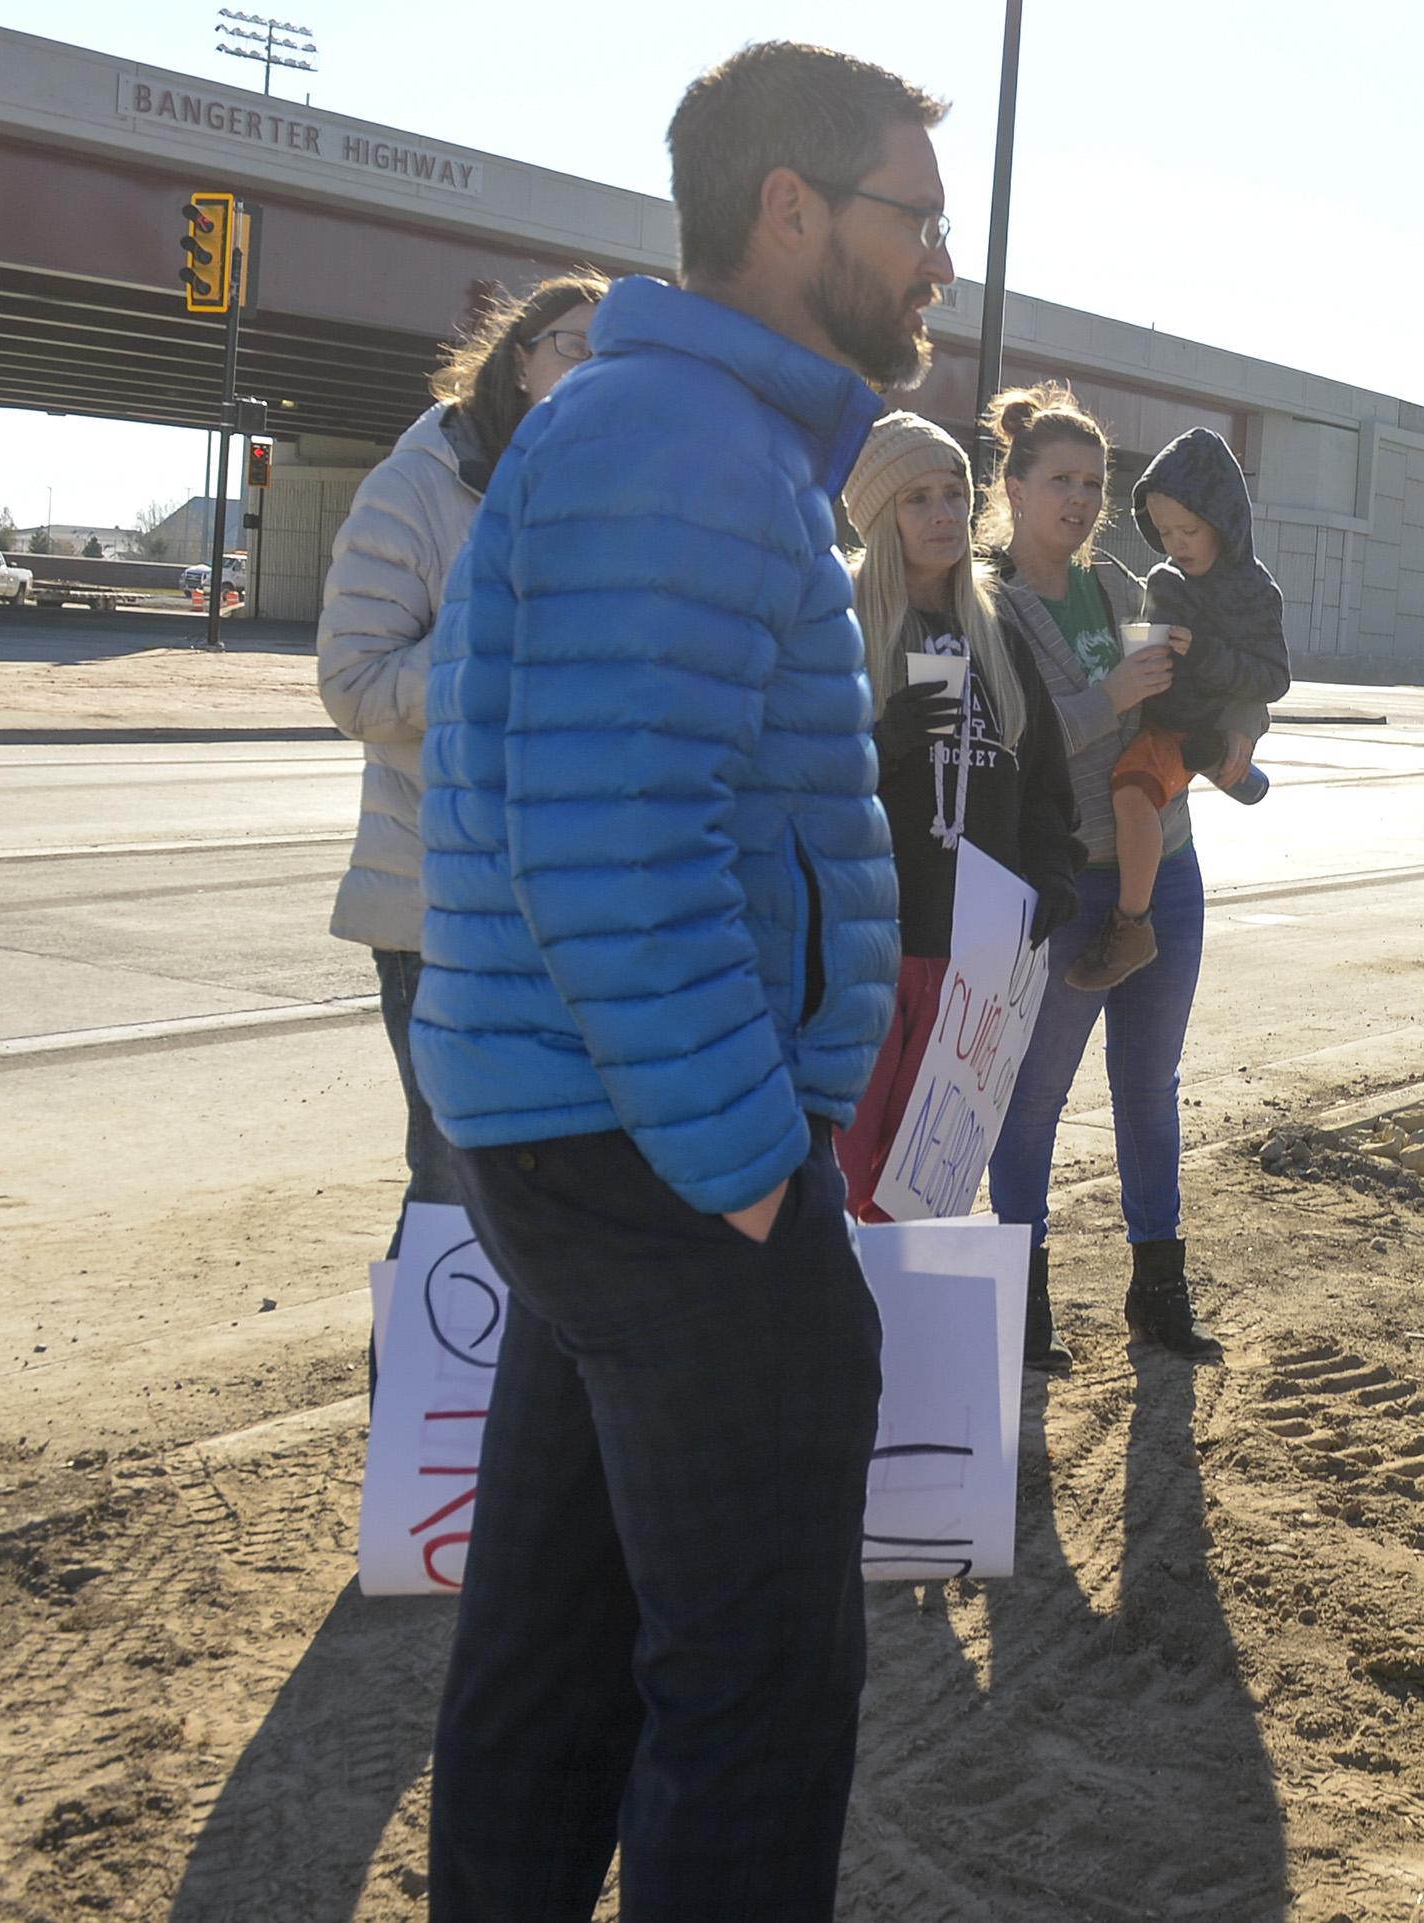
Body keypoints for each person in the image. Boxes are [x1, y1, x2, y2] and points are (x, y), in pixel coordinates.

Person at [409, 43, 955, 1921]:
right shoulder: (684, 443)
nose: (939, 265)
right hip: (661, 1156)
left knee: (554, 1653)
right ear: (791, 211)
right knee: (754, 1690)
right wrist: (743, 1164)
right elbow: (610, 837)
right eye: (917, 217)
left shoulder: (675, 428)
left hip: (588, 1139)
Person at [315, 271, 607, 1254]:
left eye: (617, 357)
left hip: (575, 906)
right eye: (574, 343)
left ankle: (515, 1411)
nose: (593, 368)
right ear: (520, 358)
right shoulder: (421, 484)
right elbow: (354, 684)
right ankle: (418, 1406)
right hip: (441, 904)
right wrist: (497, 650)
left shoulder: (612, 501)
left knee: (556, 1194)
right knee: (454, 1188)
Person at [983, 384, 1267, 1359]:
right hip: (1067, 885)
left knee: (1149, 1087)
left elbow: (1208, 687)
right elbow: (1003, 745)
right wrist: (1109, 698)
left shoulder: (1117, 585)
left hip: (1167, 866)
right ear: (1012, 486)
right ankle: (1022, 1309)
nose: (1078, 499)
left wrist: (1234, 723)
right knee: (1033, 1099)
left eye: (1094, 484)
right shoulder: (992, 608)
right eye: (1058, 479)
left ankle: (1160, 1296)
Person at [834, 411, 1084, 1292]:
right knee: (840, 1171)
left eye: (953, 494)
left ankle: (905, 1386)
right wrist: (881, 740)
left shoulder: (998, 634)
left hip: (972, 958)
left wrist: (1052, 872)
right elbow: (796, 784)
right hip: (864, 950)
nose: (941, 513)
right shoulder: (841, 631)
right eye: (916, 498)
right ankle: (831, 1363)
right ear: (877, 516)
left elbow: (1047, 785)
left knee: (923, 1185)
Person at [1065, 425, 1288, 991]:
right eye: (1162, 532)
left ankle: (1131, 923)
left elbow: (1271, 677)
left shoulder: (1255, 593)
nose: (1176, 544)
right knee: (1156, 777)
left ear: (1226, 521)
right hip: (1159, 717)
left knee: (1133, 789)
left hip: (1187, 726)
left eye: (1189, 530)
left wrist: (1213, 663)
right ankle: (1220, 764)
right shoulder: (1164, 579)